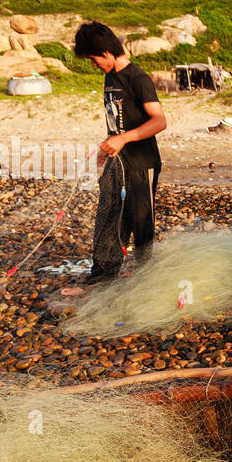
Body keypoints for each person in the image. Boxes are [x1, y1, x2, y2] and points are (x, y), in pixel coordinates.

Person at [73, 21, 167, 284]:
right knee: (110, 215)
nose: (93, 64)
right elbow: (120, 121)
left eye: (93, 59)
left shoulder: (138, 78)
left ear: (106, 53)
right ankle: (104, 275)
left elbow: (159, 121)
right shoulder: (110, 77)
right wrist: (110, 145)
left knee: (141, 222)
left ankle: (145, 278)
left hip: (142, 163)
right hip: (118, 162)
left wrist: (124, 139)